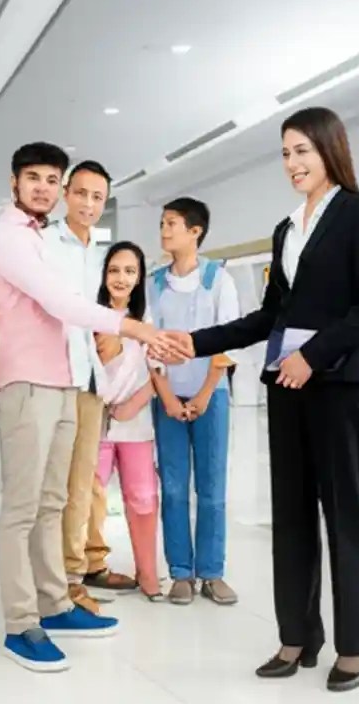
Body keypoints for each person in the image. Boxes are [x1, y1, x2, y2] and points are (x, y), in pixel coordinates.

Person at [158, 107, 359, 693]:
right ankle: (297, 635)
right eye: (286, 153)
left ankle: (355, 646)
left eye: (302, 151)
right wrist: (194, 341)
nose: (292, 163)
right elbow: (271, 316)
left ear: (328, 150)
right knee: (290, 516)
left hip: (340, 386)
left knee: (346, 518)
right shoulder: (287, 228)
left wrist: (312, 355)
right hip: (286, 388)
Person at [0, 142, 179, 672]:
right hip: (28, 381)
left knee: (53, 502)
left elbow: (71, 306)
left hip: (67, 379)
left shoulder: (42, 236)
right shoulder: (10, 238)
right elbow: (61, 302)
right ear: (14, 183)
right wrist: (136, 326)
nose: (44, 188)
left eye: (52, 178)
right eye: (35, 179)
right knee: (22, 508)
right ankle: (20, 623)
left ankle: (55, 603)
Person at [46, 161, 137, 613]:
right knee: (56, 488)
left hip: (88, 381)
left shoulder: (95, 254)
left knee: (83, 486)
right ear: (66, 193)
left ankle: (72, 574)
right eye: (80, 193)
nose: (88, 203)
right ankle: (60, 581)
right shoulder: (46, 243)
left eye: (97, 197)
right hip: (51, 378)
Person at [147, 197, 240, 606]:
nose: (165, 230)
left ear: (195, 231)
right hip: (167, 396)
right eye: (163, 223)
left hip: (211, 395)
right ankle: (180, 573)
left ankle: (212, 572)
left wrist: (203, 395)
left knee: (212, 487)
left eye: (172, 224)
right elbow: (148, 345)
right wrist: (167, 396)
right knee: (172, 486)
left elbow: (227, 342)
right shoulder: (153, 284)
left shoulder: (219, 279)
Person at [93, 241, 163, 601]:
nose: (121, 278)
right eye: (114, 270)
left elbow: (158, 371)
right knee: (90, 499)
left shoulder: (147, 320)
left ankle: (148, 572)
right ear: (103, 274)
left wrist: (134, 404)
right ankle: (86, 569)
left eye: (130, 271)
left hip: (135, 423)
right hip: (96, 422)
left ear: (139, 278)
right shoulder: (91, 315)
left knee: (143, 497)